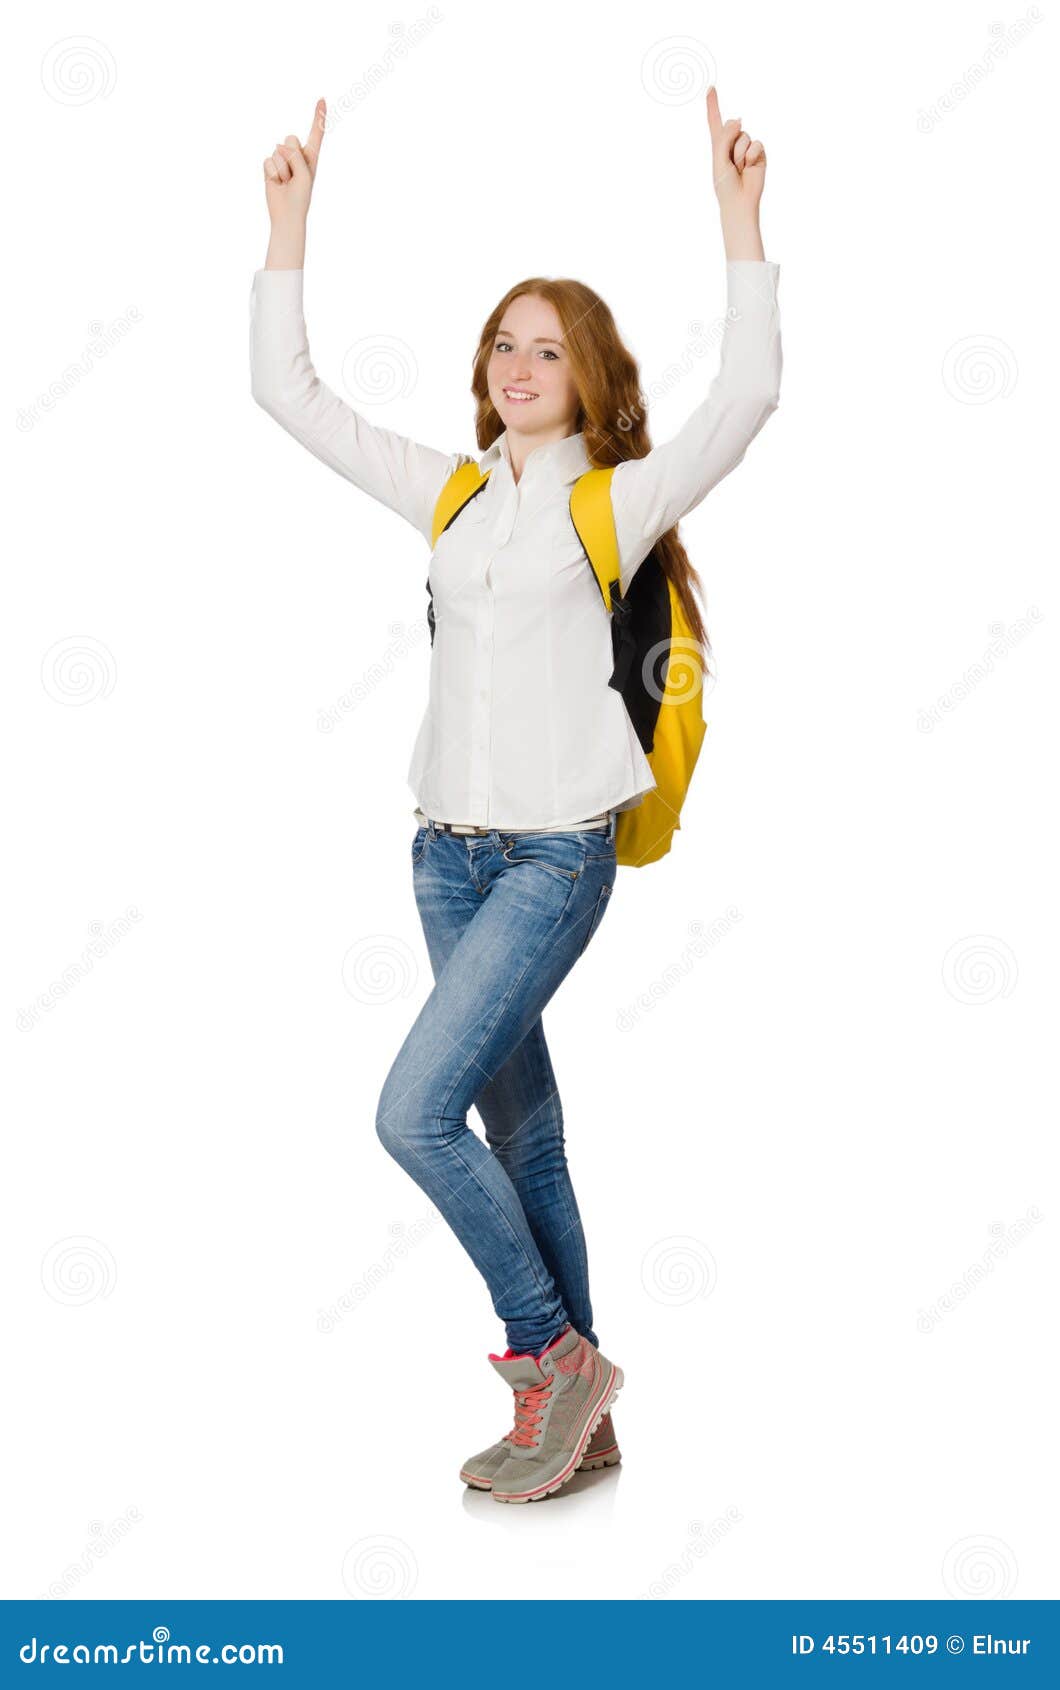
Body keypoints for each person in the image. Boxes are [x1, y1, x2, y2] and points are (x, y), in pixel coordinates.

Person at [250, 88, 782, 1504]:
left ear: (591, 377)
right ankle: (582, 1429)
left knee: (410, 1113)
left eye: (550, 347)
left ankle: (551, 1354)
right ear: (483, 373)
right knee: (519, 1132)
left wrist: (739, 223)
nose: (522, 362)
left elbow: (745, 398)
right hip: (445, 858)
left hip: (554, 857)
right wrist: (290, 228)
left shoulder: (614, 502)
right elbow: (291, 397)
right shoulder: (453, 496)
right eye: (505, 342)